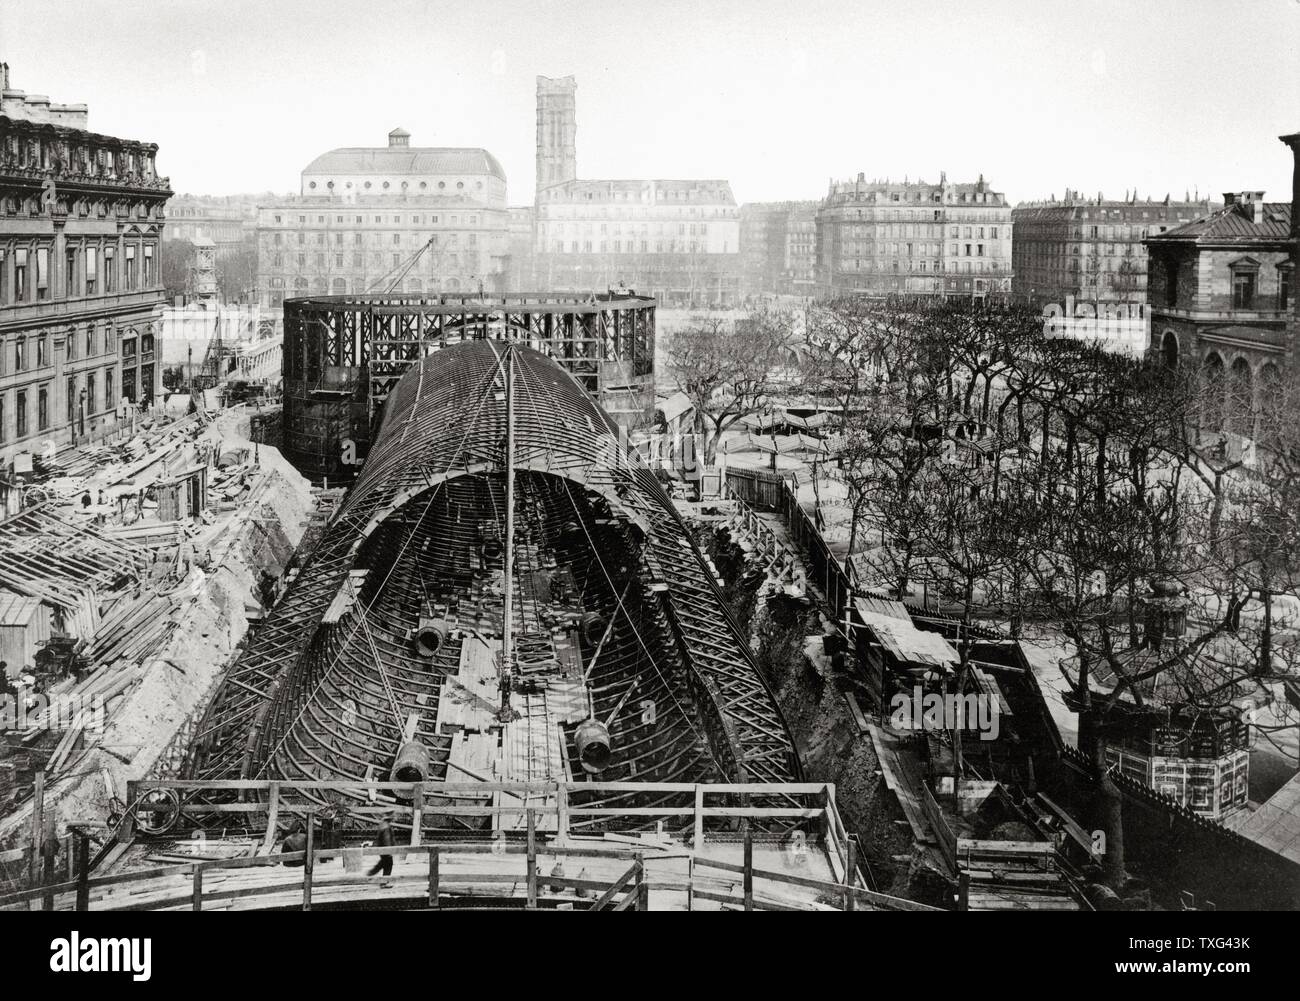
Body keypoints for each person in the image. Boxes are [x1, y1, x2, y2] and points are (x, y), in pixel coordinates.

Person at [368, 816, 394, 881]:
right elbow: (386, 839)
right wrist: (389, 850)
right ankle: (384, 881)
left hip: (382, 848)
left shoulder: (383, 824)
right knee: (388, 864)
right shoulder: (386, 827)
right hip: (385, 849)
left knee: (382, 864)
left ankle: (370, 874)